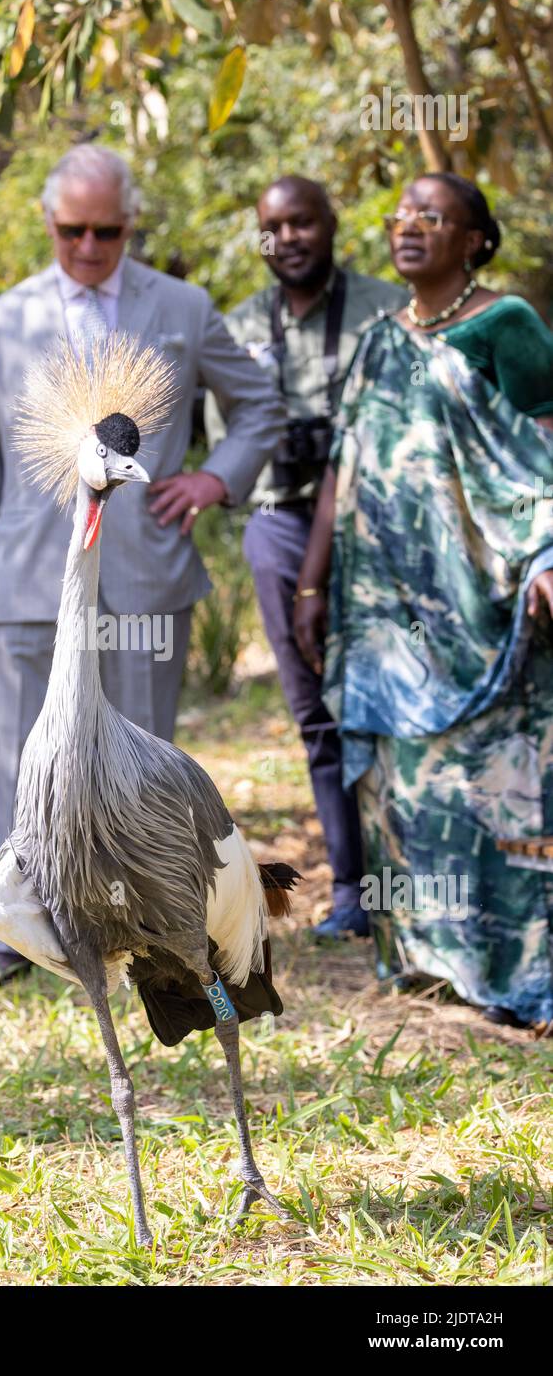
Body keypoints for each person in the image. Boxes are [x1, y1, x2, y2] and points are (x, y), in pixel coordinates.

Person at [0, 143, 285, 986]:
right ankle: (19, 930)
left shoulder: (180, 306)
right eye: (73, 231)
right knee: (18, 757)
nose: (89, 247)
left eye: (107, 231)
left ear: (129, 225)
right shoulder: (2, 318)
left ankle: (143, 921)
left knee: (141, 760)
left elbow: (256, 404)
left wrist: (217, 478)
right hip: (30, 574)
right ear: (48, 224)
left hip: (144, 573)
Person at [294, 173, 553, 1029]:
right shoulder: (375, 340)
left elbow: (542, 444)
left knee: (488, 780)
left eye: (432, 217)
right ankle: (425, 961)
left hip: (482, 603)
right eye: (401, 214)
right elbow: (345, 467)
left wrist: (547, 550)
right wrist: (312, 580)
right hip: (382, 611)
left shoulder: (504, 324)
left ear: (474, 240)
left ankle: (506, 964)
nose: (409, 227)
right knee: (402, 786)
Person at [206, 175, 405, 939]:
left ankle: (403, 887)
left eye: (302, 223)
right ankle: (351, 888)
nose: (287, 239)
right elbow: (226, 443)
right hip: (279, 521)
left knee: (389, 705)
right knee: (316, 713)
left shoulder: (384, 307)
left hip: (376, 528)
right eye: (272, 227)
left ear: (329, 225)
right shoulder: (238, 326)